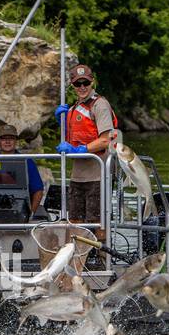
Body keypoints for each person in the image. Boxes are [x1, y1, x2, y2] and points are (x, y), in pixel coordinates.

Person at [54, 63, 117, 265]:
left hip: (98, 174)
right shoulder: (72, 109)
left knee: (98, 222)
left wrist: (80, 149)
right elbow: (70, 137)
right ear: (72, 86)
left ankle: (101, 261)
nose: (82, 87)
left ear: (92, 82)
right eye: (77, 84)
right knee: (76, 221)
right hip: (77, 175)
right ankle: (78, 261)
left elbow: (105, 139)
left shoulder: (100, 105)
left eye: (85, 83)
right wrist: (61, 122)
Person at [0, 123, 47, 218]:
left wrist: (30, 214)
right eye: (4, 138)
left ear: (16, 141)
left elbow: (38, 190)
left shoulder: (27, 161)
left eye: (11, 138)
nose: (7, 141)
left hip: (19, 209)